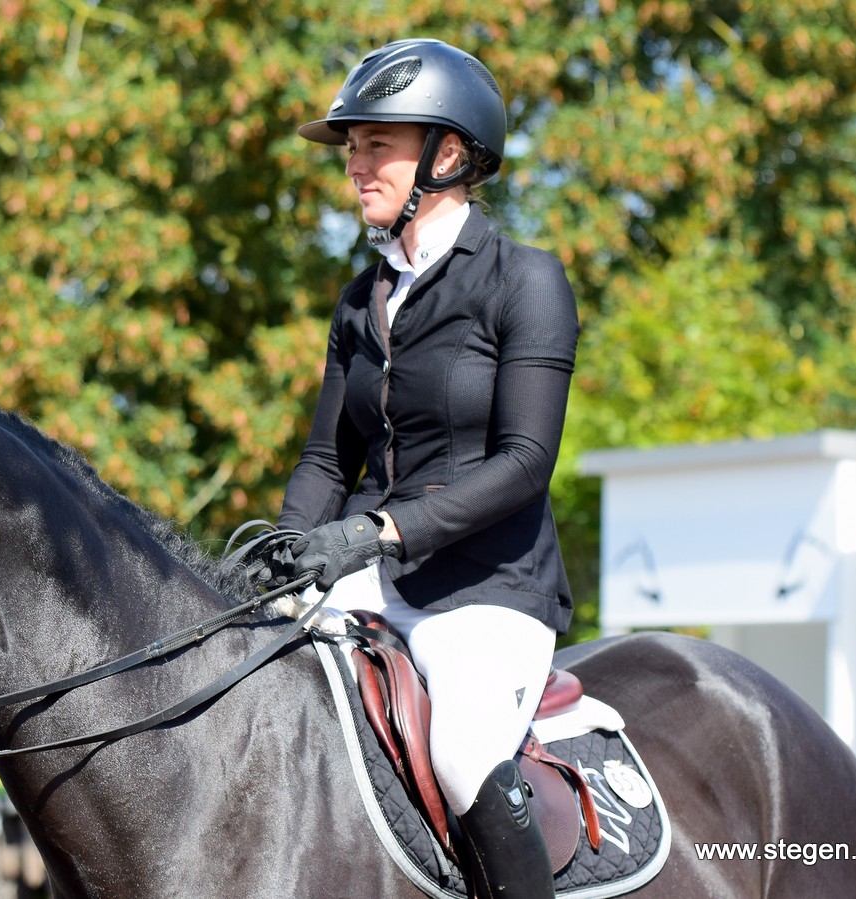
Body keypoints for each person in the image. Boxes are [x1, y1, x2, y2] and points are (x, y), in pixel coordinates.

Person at [279, 38, 578, 899]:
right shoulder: (359, 300)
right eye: (352, 148)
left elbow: (524, 463)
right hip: (371, 577)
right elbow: (325, 458)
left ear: (447, 155)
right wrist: (287, 549)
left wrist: (377, 531)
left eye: (377, 145)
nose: (355, 167)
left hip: (489, 590)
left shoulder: (526, 282)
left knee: (461, 751)